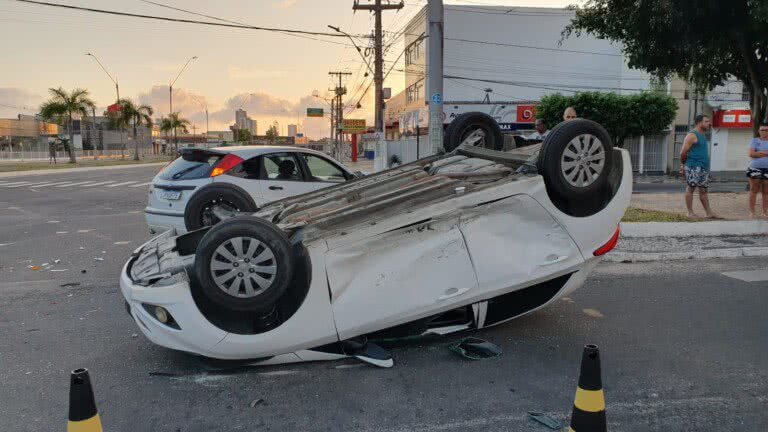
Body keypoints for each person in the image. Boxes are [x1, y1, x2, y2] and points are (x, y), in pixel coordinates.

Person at [680, 114, 717, 218]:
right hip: (693, 166)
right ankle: (690, 212)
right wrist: (683, 165)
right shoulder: (692, 135)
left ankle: (709, 213)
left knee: (704, 190)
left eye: (708, 121)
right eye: (706, 121)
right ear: (699, 122)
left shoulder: (703, 135)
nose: (709, 123)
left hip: (703, 167)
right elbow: (683, 152)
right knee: (691, 188)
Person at [747, 121, 768, 218]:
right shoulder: (754, 141)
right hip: (755, 168)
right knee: (753, 190)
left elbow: (755, 154)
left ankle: (764, 212)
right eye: (762, 130)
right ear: (759, 131)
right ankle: (752, 212)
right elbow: (751, 154)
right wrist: (766, 153)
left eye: (766, 130)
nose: (764, 132)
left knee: (766, 191)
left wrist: (759, 152)